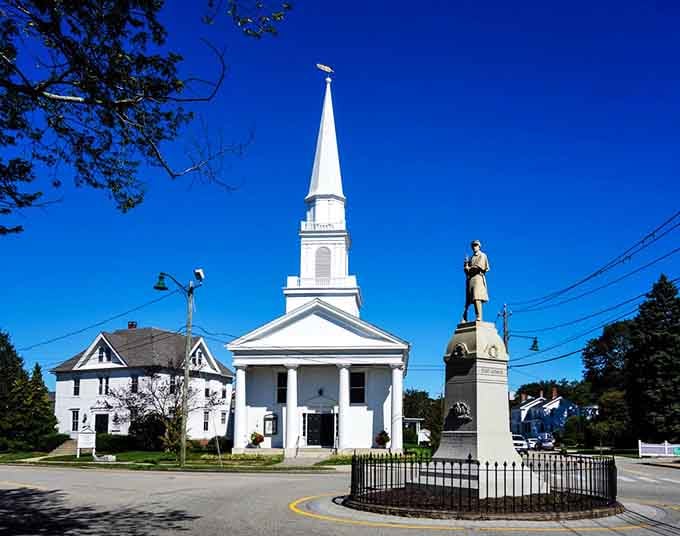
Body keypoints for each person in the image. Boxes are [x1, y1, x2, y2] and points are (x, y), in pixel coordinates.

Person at [462, 240, 490, 322]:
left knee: (477, 297)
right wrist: (466, 265)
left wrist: (469, 268)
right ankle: (464, 317)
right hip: (470, 279)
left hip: (478, 277)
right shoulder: (471, 258)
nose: (474, 247)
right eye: (473, 246)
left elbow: (478, 267)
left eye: (476, 245)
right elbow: (466, 271)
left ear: (479, 246)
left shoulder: (482, 255)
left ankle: (479, 316)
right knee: (468, 300)